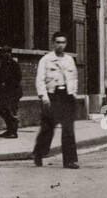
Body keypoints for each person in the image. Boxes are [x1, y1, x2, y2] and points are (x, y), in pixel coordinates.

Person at [33, 33, 80, 169]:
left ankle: (70, 160)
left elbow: (74, 78)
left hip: (67, 96)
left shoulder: (69, 60)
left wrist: (74, 93)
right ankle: (39, 152)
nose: (61, 45)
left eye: (63, 42)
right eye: (58, 42)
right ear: (53, 43)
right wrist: (44, 97)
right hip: (52, 96)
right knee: (48, 128)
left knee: (68, 129)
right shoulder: (46, 60)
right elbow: (40, 80)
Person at [0, 46, 22, 139]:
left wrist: (6, 84)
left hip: (13, 92)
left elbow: (18, 78)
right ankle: (9, 130)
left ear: (10, 53)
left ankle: (13, 132)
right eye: (2, 53)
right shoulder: (4, 64)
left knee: (11, 110)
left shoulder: (14, 64)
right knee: (2, 109)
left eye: (6, 53)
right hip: (5, 93)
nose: (4, 55)